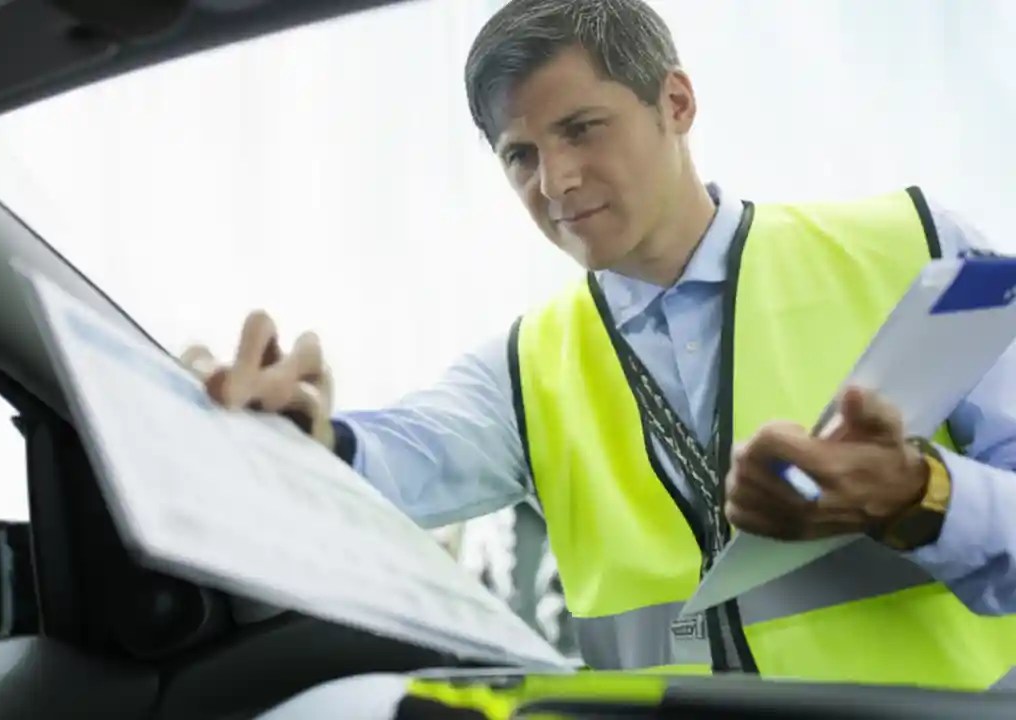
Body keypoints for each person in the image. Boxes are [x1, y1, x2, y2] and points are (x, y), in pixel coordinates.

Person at [181, 0, 1016, 689]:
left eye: (581, 129)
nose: (555, 183)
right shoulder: (523, 369)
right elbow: (398, 458)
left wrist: (920, 495)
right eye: (520, 155)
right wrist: (303, 439)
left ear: (676, 103)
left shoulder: (922, 248)